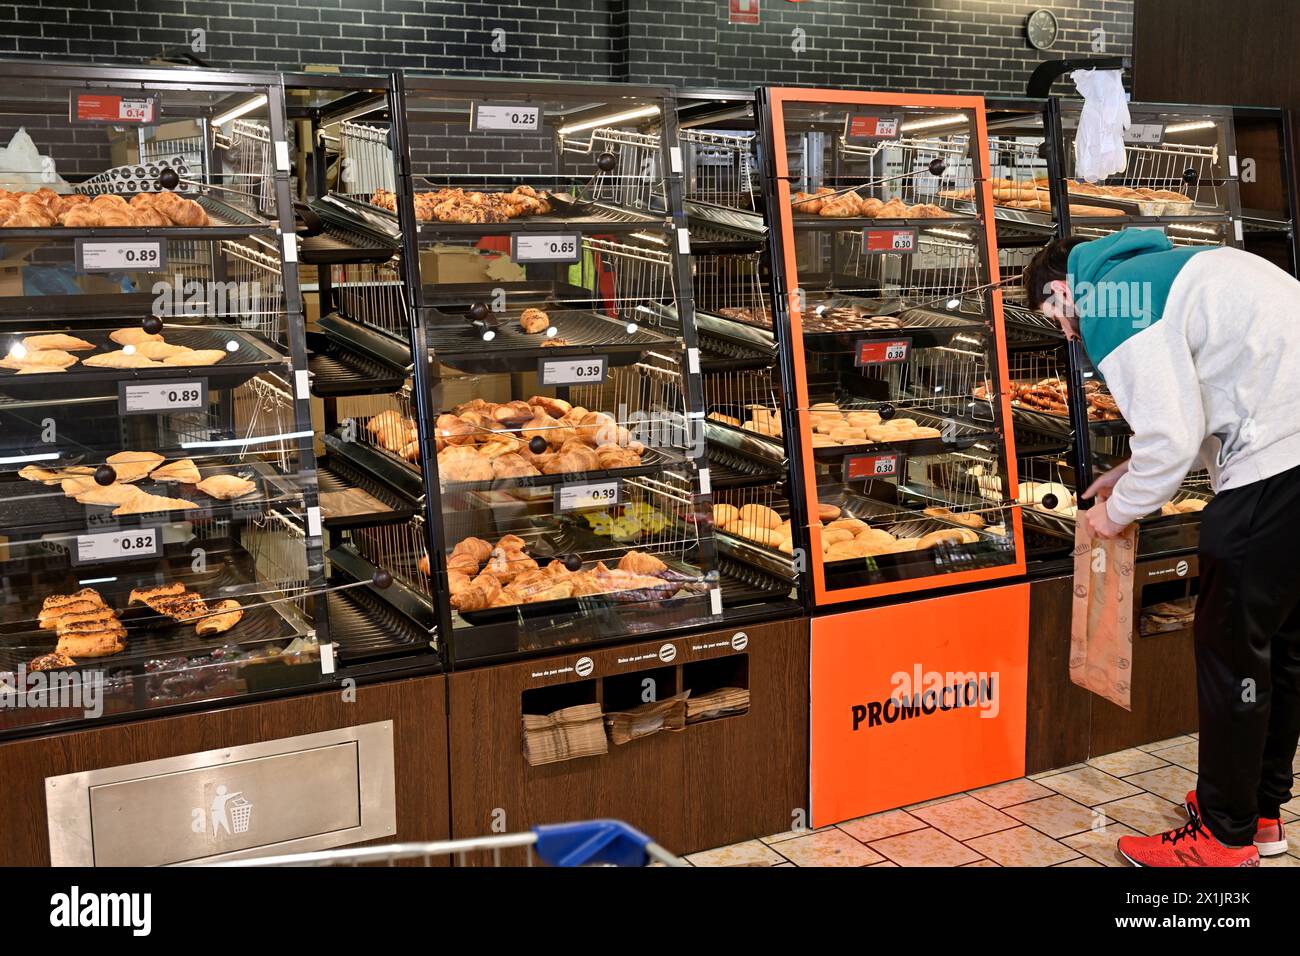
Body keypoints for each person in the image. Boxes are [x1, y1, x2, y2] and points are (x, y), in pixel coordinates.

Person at [1023, 228, 1300, 868]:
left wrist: (1114, 517)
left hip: (1273, 469)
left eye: (1055, 315)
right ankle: (1258, 813)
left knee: (1232, 656)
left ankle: (1222, 838)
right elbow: (1214, 395)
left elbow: (1173, 440)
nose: (1068, 335)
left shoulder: (1110, 298)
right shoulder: (1172, 272)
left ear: (1063, 289)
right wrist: (1128, 471)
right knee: (1277, 650)